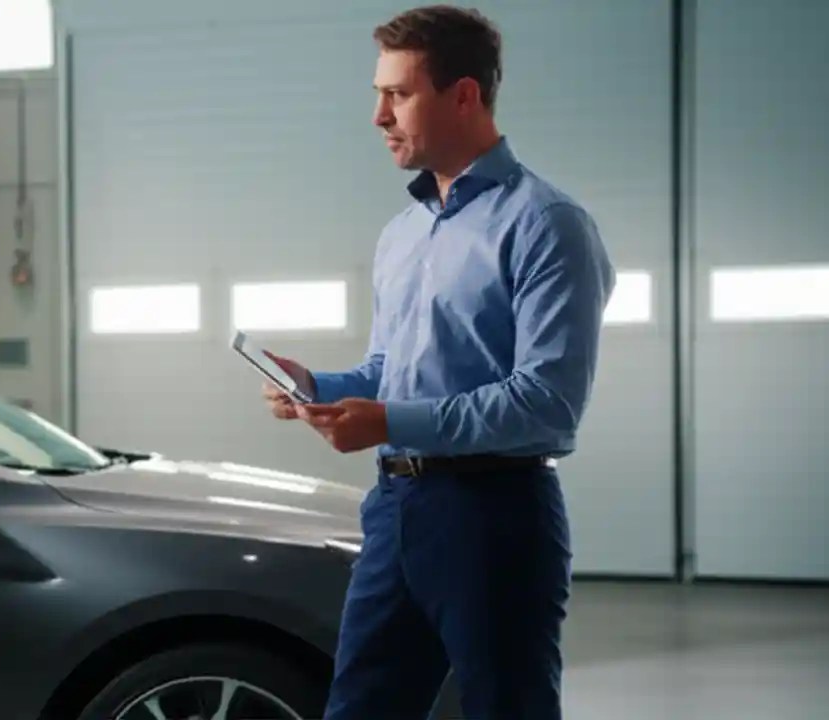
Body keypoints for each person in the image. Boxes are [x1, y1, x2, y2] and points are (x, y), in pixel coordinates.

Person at [261, 5, 615, 719]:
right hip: (395, 510)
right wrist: (316, 388)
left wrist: (389, 420)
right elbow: (389, 370)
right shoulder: (403, 231)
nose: (378, 116)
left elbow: (547, 401)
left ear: (464, 96)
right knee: (359, 708)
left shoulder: (546, 224)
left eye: (398, 94)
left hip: (495, 517)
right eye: (378, 94)